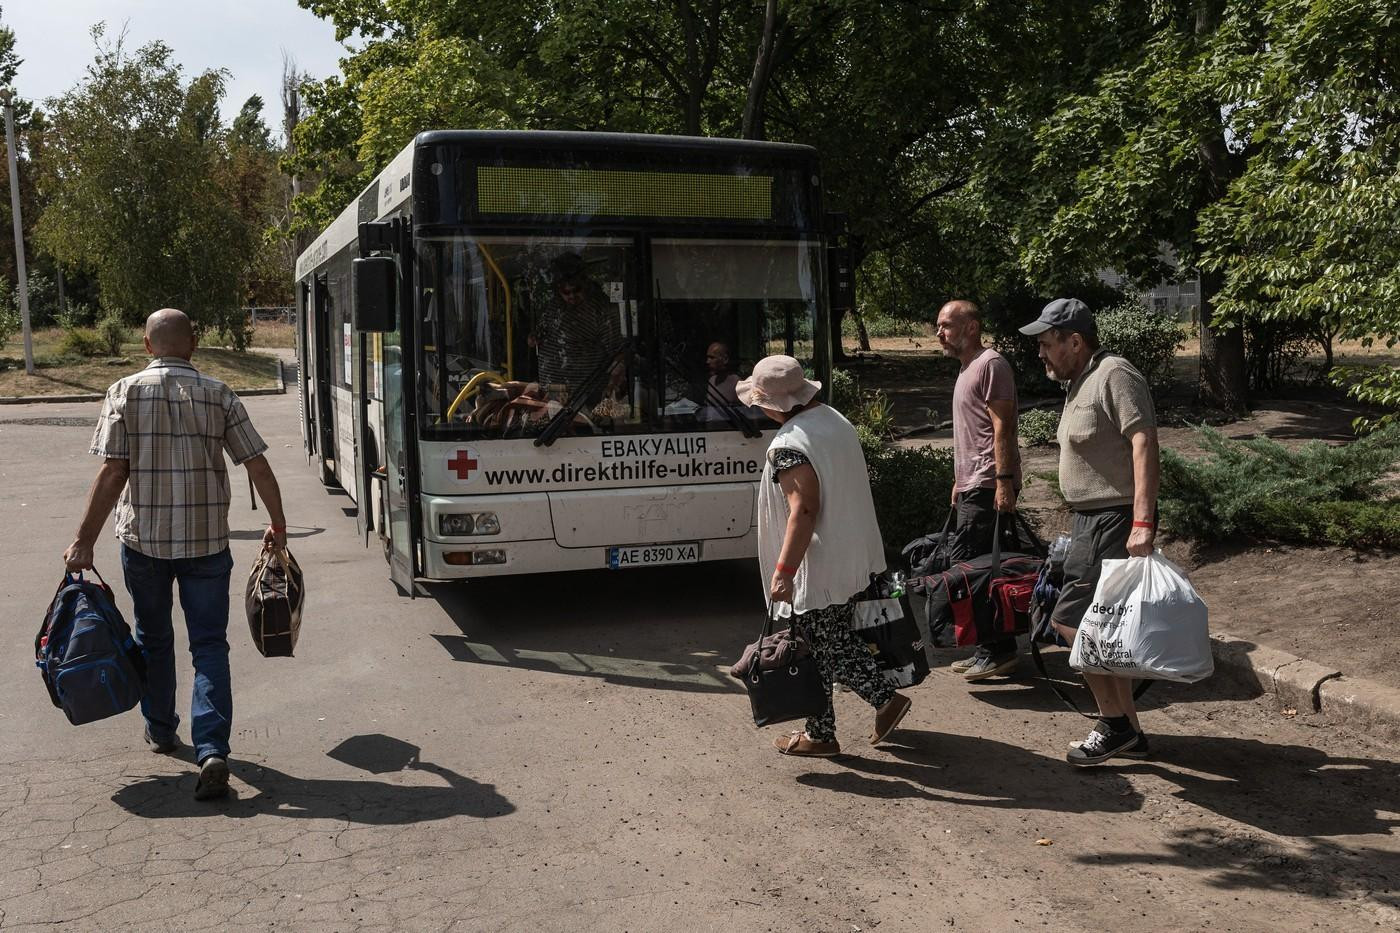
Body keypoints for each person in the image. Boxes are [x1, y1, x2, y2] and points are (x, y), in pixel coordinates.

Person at [63, 308, 287, 800]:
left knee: (153, 638)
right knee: (209, 645)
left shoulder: (123, 392)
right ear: (193, 343)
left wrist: (83, 540)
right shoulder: (219, 393)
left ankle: (162, 730)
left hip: (144, 542)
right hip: (207, 542)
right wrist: (278, 522)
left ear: (147, 346)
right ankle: (212, 750)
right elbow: (257, 464)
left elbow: (112, 473)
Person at [739, 355, 913, 757]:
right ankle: (829, 728)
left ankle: (866, 709)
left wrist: (784, 570)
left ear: (773, 402)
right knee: (828, 641)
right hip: (850, 554)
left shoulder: (789, 444)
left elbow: (804, 510)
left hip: (818, 563)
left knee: (821, 646)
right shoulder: (833, 420)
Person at [1019, 298, 1160, 766]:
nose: (1040, 353)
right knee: (1097, 626)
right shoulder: (1080, 380)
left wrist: (1141, 522)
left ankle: (1114, 725)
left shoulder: (1115, 374)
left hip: (1113, 518)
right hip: (1088, 521)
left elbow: (1144, 443)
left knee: (1072, 622)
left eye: (1046, 343)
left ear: (1074, 341)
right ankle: (1131, 729)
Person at [936, 299, 1024, 681]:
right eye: (938, 326)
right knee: (971, 568)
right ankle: (990, 647)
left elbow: (1003, 426)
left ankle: (999, 649)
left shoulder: (991, 364)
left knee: (976, 571)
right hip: (973, 483)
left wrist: (1003, 484)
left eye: (947, 325)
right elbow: (973, 433)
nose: (940, 332)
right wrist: (959, 479)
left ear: (972, 327)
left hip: (989, 484)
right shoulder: (967, 368)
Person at [529, 252, 625, 404]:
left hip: (584, 395)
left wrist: (612, 387)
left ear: (585, 282)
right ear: (557, 289)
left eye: (577, 289)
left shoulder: (601, 309)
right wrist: (534, 337)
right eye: (565, 292)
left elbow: (618, 354)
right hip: (553, 392)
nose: (572, 296)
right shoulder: (554, 307)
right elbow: (539, 333)